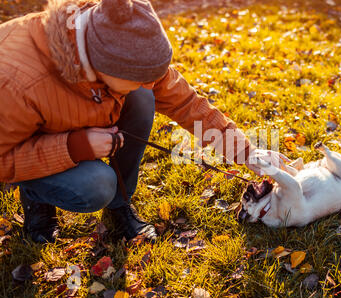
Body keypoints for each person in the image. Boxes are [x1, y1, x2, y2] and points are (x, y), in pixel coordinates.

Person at [0, 0, 290, 243]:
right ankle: (35, 193)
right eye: (141, 76)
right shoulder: (14, 80)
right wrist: (74, 148)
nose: (153, 81)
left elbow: (186, 103)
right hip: (21, 145)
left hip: (78, 117)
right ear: (102, 66)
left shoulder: (120, 42)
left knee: (142, 97)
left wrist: (247, 152)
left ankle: (119, 203)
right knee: (97, 185)